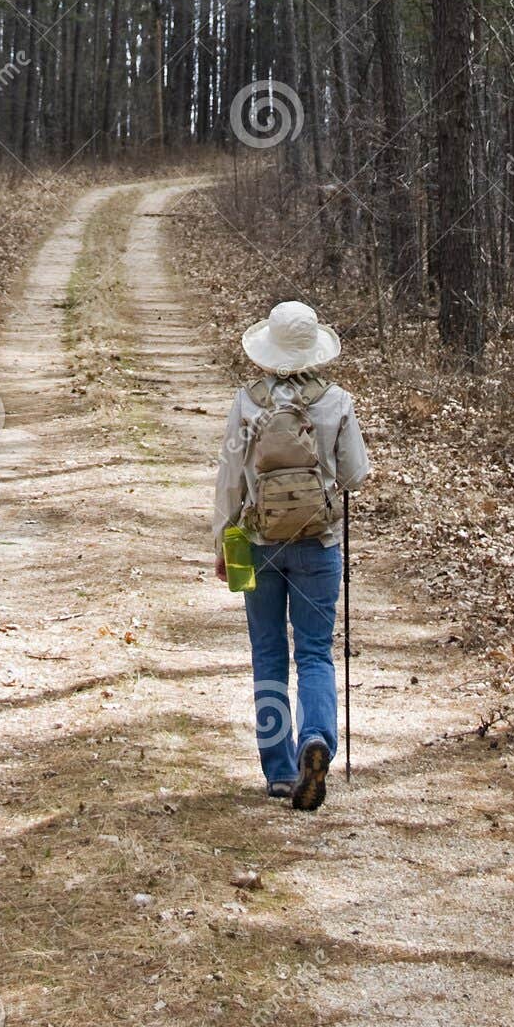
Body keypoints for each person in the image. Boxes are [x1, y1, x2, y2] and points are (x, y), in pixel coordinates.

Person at [213, 300, 370, 810]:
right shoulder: (337, 401)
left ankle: (280, 772)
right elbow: (354, 476)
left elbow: (230, 481)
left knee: (268, 654)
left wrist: (223, 542)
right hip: (318, 543)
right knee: (315, 652)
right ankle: (316, 738)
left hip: (259, 544)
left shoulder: (248, 402)